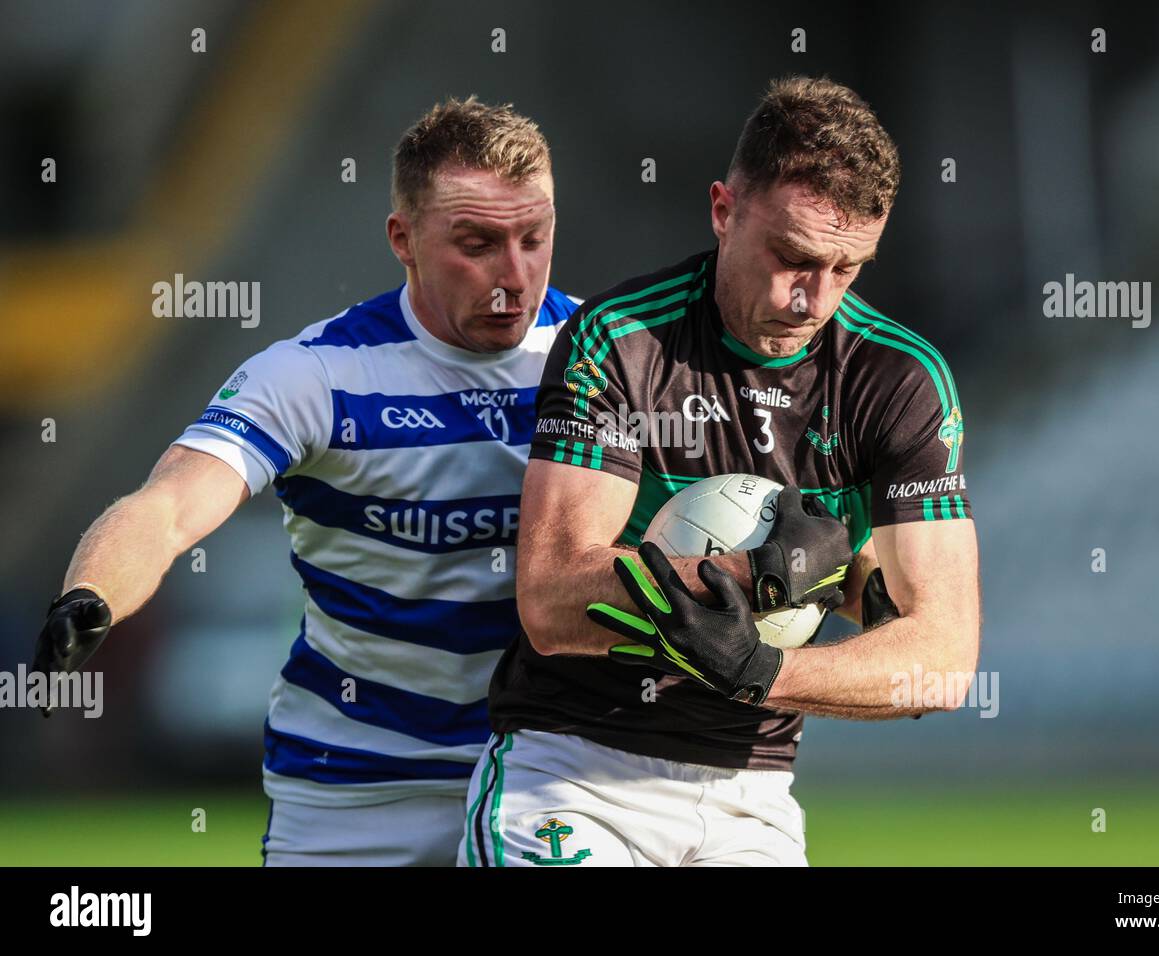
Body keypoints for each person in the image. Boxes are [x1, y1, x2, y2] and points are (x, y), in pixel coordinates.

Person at [33, 97, 579, 866]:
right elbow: (172, 505)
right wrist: (91, 594)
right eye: (478, 244)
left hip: (545, 773)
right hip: (351, 784)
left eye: (534, 237)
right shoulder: (315, 375)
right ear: (403, 239)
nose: (514, 276)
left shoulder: (606, 360)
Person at [461, 76, 979, 867]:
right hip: (571, 769)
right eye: (794, 258)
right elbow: (551, 597)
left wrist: (764, 669)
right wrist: (752, 575)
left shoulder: (901, 379)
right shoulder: (621, 339)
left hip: (750, 794)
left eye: (849, 268)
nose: (814, 300)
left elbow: (941, 660)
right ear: (723, 211)